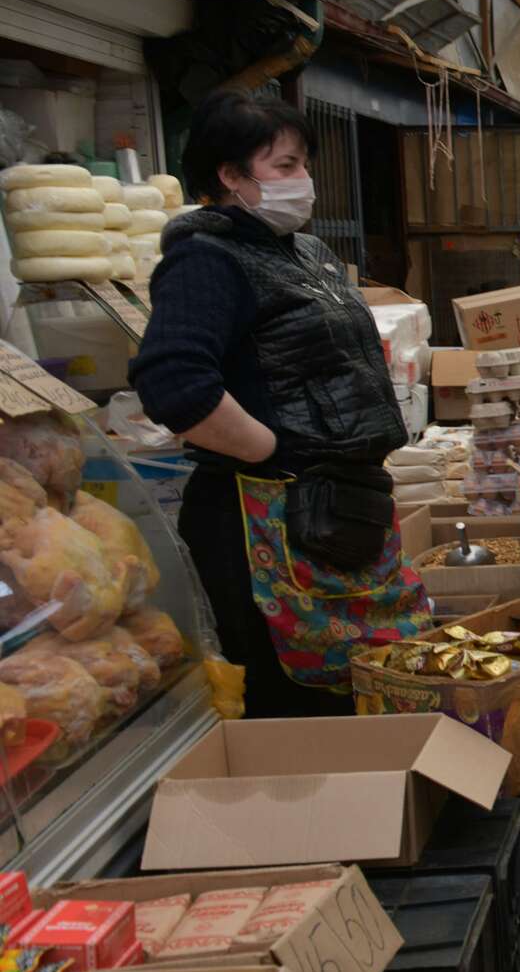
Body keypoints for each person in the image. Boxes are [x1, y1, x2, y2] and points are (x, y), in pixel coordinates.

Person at [130, 89, 428, 718]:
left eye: (304, 165)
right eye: (284, 166)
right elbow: (174, 381)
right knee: (297, 695)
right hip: (267, 519)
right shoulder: (205, 259)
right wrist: (271, 449)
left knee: (366, 681)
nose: (304, 181)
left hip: (342, 508)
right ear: (230, 176)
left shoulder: (305, 252)